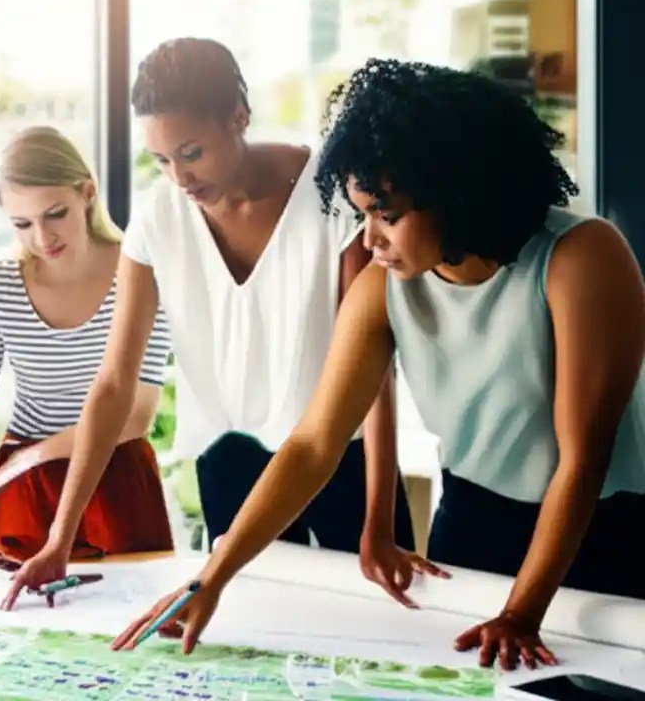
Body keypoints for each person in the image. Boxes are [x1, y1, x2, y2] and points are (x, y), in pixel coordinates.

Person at [114, 58, 645, 670]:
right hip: (471, 519)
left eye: (386, 216)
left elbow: (583, 457)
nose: (368, 239)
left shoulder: (581, 256)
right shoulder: (381, 286)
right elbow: (314, 442)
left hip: (604, 530)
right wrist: (212, 578)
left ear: (456, 193)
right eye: (361, 213)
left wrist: (522, 612)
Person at [0, 38, 415, 608]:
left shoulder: (335, 196)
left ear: (238, 117)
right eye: (161, 160)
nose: (180, 177)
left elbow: (374, 374)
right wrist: (59, 538)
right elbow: (115, 383)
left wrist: (381, 521)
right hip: (230, 459)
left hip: (342, 457)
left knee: (384, 633)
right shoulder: (157, 217)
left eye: (191, 152)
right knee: (253, 636)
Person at [0, 127, 173, 583]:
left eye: (55, 214)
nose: (42, 237)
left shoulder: (143, 274)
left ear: (87, 193)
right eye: (22, 224)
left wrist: (36, 454)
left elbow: (136, 415)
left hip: (115, 477)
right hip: (26, 493)